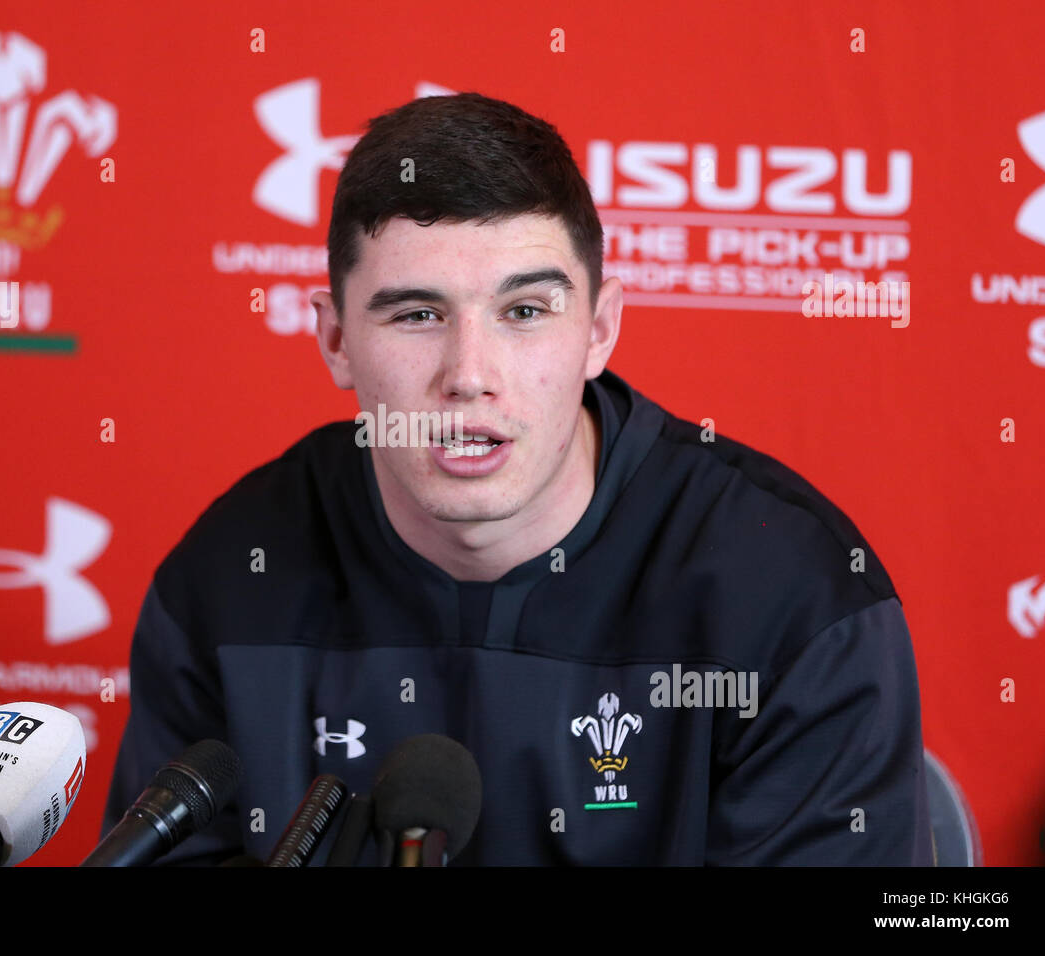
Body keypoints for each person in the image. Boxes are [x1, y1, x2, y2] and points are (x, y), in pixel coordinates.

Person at [101, 92, 933, 865]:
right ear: (334, 340)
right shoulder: (229, 574)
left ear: (600, 329)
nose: (470, 374)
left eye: (524, 312)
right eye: (417, 314)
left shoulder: (794, 596)